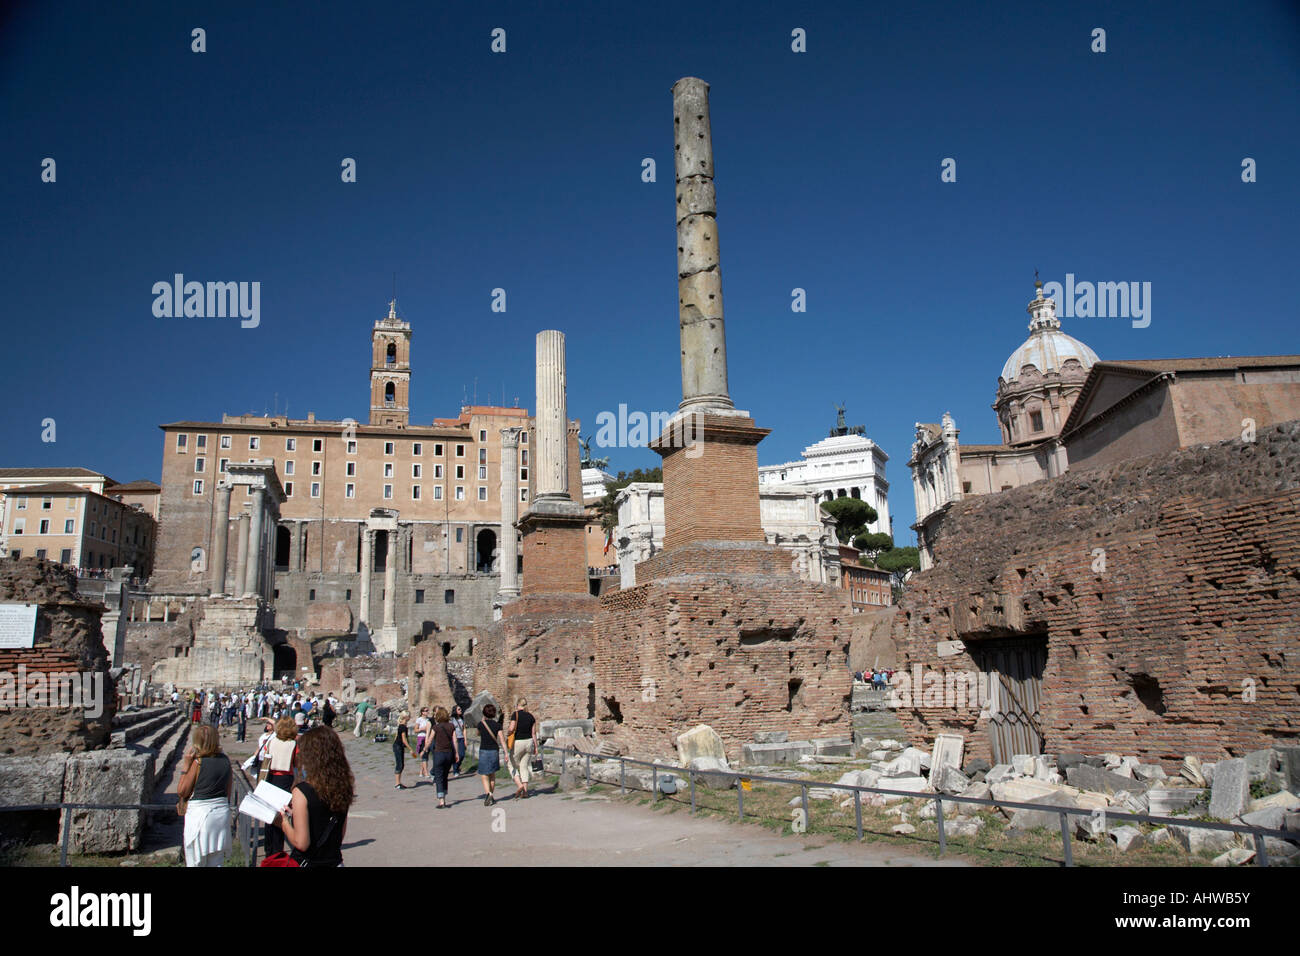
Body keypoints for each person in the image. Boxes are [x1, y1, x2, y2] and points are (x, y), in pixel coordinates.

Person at [273, 726, 354, 867]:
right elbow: (338, 836)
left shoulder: (302, 791)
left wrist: (284, 823)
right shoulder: (343, 787)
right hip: (335, 862)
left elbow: (302, 843)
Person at [177, 724, 232, 867]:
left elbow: (182, 791)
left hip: (200, 815)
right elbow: (228, 793)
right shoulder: (226, 761)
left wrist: (185, 766)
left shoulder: (198, 762)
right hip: (220, 815)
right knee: (216, 861)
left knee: (196, 860)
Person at [263, 716, 299, 856]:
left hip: (271, 778)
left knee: (269, 815)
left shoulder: (271, 742)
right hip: (285, 779)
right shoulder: (293, 744)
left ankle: (269, 849)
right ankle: (277, 850)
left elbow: (266, 756)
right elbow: (296, 762)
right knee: (281, 815)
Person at [506, 698, 539, 800]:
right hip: (529, 742)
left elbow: (511, 728)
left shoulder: (515, 715)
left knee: (511, 765)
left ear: (517, 705)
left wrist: (508, 733)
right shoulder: (531, 717)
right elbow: (533, 733)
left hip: (518, 742)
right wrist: (536, 746)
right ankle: (525, 791)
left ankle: (520, 785)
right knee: (524, 766)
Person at [475, 704, 508, 806]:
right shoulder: (497, 725)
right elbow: (502, 739)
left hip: (484, 750)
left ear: (484, 713)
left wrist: (482, 721)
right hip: (494, 750)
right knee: (492, 774)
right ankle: (491, 794)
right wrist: (506, 752)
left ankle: (488, 793)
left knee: (484, 774)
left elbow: (477, 734)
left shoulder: (481, 724)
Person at [429, 707, 456, 809]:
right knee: (445, 776)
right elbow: (455, 741)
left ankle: (441, 801)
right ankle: (444, 794)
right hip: (449, 754)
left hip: (439, 753)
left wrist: (424, 749)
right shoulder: (451, 726)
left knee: (439, 777)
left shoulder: (436, 727)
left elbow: (430, 739)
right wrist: (456, 753)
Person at [394, 711, 416, 789]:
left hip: (399, 746)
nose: (410, 717)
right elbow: (404, 740)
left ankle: (399, 782)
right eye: (409, 716)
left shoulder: (402, 726)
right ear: (405, 717)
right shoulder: (402, 727)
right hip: (398, 746)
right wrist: (410, 749)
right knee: (399, 764)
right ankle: (397, 783)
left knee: (401, 764)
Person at [414, 707, 432, 779]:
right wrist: (422, 729)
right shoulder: (419, 719)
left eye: (428, 710)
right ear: (422, 712)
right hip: (421, 737)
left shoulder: (429, 720)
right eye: (426, 711)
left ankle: (421, 771)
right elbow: (415, 730)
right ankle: (426, 772)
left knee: (425, 754)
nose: (427, 712)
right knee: (424, 755)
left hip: (427, 738)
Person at [450, 705, 467, 775]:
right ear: (455, 711)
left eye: (460, 709)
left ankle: (456, 767)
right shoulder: (452, 720)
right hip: (454, 739)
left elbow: (464, 729)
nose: (461, 710)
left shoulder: (462, 719)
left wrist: (465, 740)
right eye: (459, 709)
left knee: (462, 754)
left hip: (461, 738)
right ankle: (455, 770)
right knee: (456, 755)